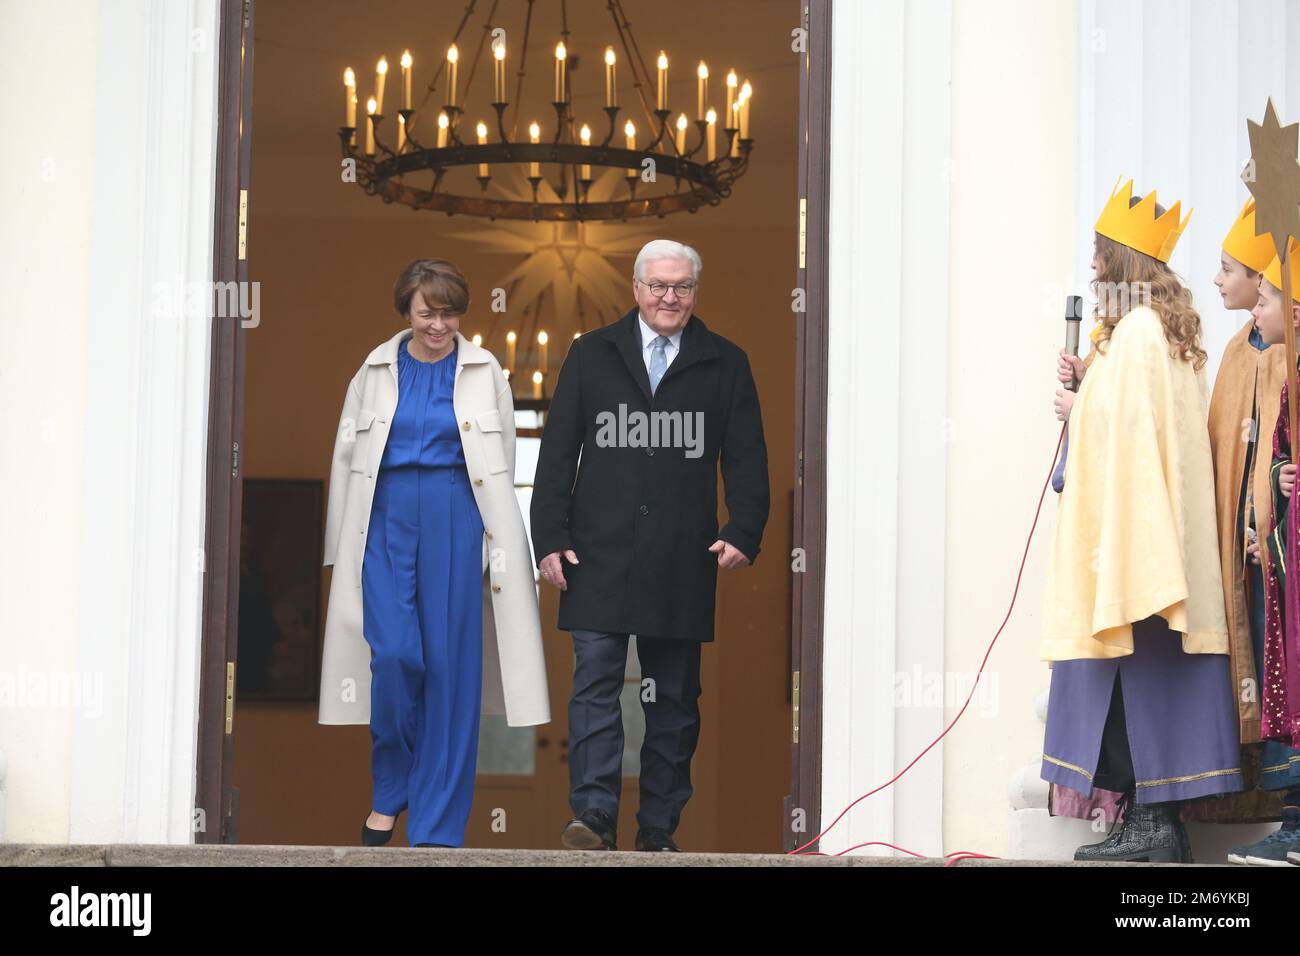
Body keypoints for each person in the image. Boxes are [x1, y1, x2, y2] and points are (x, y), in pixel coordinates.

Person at [530, 239, 770, 852]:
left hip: (683, 555)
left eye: (682, 287)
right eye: (659, 286)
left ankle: (658, 830)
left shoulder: (726, 362)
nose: (670, 297)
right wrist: (550, 538)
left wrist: (743, 530)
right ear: (636, 289)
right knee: (595, 686)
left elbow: (745, 458)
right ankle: (594, 815)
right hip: (597, 552)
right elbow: (557, 452)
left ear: (695, 291)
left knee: (672, 700)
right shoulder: (591, 355)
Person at [1042, 179, 1243, 863]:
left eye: (1101, 255)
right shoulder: (1156, 332)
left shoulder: (1134, 336)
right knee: (1141, 683)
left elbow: (1124, 434)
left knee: (1132, 679)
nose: (1093, 267)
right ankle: (1153, 822)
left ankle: (1154, 824)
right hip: (1159, 538)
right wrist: (1091, 385)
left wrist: (1080, 409)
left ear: (1123, 263)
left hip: (1134, 546)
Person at [319, 258, 550, 848]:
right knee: (395, 657)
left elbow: (503, 468)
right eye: (428, 312)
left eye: (449, 313)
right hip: (385, 521)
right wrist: (336, 550)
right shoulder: (372, 371)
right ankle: (390, 788)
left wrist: (504, 546)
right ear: (406, 311)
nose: (439, 325)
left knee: (450, 678)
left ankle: (435, 834)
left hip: (457, 520)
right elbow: (345, 460)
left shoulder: (485, 371)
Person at [1247, 237, 1300, 865]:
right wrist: (1283, 472)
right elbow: (1282, 447)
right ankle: (1293, 823)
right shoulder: (1289, 377)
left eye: (1264, 301)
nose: (1255, 314)